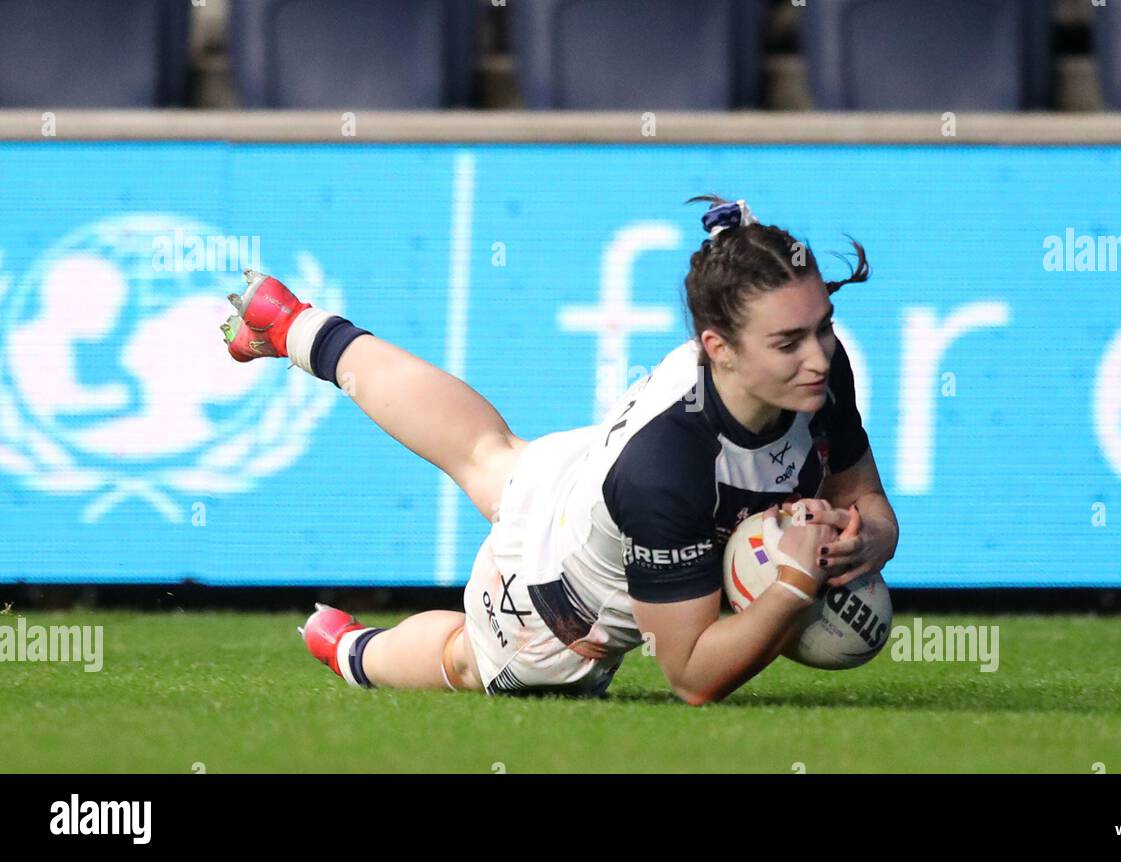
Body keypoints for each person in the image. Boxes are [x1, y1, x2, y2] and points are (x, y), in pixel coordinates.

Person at [220, 196, 899, 704]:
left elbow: (866, 500)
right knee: (470, 663)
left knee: (488, 454)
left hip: (580, 475)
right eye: (789, 342)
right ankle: (353, 650)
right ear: (718, 348)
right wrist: (792, 589)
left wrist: (868, 537)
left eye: (823, 329)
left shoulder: (813, 371)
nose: (818, 356)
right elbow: (691, 674)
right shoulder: (669, 469)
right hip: (563, 602)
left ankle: (295, 326)